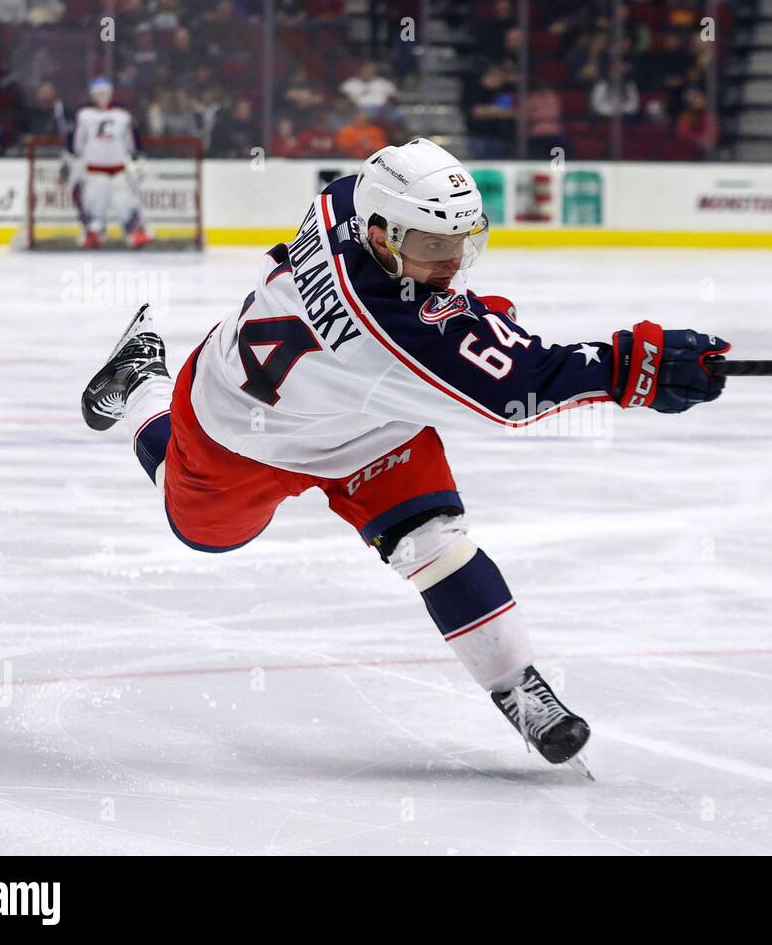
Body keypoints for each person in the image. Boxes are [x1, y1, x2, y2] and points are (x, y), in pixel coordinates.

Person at [78, 139, 730, 769]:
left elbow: (439, 320)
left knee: (432, 541)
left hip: (365, 422)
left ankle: (520, 691)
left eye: (460, 240)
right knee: (203, 535)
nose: (451, 259)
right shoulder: (392, 331)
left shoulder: (342, 201)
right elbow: (520, 390)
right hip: (237, 425)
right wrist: (637, 365)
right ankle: (142, 382)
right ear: (382, 235)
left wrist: (473, 324)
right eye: (432, 245)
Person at [68, 77, 149, 248]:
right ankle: (94, 232)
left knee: (125, 201)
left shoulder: (122, 116)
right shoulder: (84, 115)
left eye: (105, 92)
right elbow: (77, 143)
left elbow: (130, 143)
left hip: (118, 167)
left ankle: (133, 232)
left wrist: (134, 157)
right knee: (94, 202)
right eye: (98, 93)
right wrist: (77, 160)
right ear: (92, 95)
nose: (102, 96)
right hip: (94, 168)